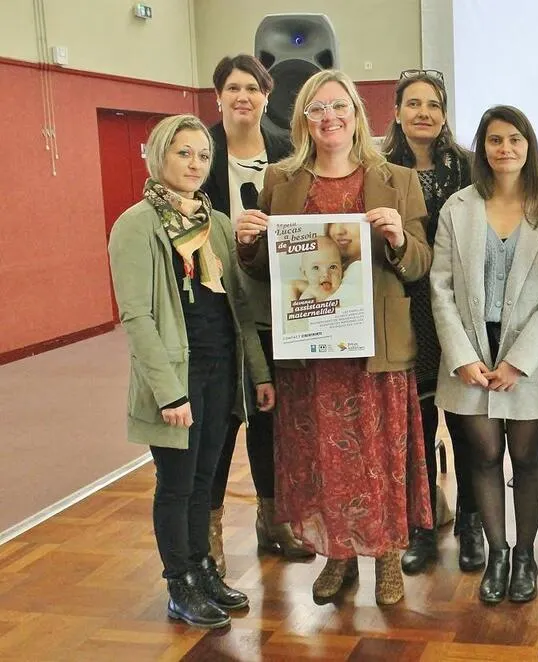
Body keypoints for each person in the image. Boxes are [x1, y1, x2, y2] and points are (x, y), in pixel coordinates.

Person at [234, 69, 434, 606]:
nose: (329, 117)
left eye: (338, 106)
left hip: (376, 348)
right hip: (310, 349)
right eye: (317, 108)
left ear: (356, 114)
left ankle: (388, 553)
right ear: (304, 119)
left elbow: (420, 265)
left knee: (378, 455)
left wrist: (397, 238)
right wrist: (249, 244)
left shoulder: (398, 179)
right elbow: (262, 273)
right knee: (323, 456)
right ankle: (339, 556)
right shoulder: (281, 179)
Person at [108, 114, 274, 628]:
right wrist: (168, 392)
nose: (195, 164)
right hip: (176, 378)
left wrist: (260, 374)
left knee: (207, 481)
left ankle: (203, 570)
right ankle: (179, 583)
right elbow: (136, 316)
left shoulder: (216, 223)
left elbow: (241, 310)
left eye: (203, 155)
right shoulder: (136, 224)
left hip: (221, 367)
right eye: (183, 153)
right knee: (177, 483)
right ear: (160, 156)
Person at [431, 105, 538, 604]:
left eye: (515, 139)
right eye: (495, 140)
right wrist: (462, 354)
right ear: (483, 148)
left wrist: (519, 361)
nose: (505, 149)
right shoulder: (457, 208)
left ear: (529, 146)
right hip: (471, 353)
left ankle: (526, 555)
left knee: (527, 456)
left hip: (526, 356)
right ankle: (496, 553)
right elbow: (441, 286)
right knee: (485, 455)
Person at [200, 54, 308, 576]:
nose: (244, 97)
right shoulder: (199, 155)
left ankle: (273, 520)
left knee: (272, 425)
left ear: (267, 97)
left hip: (279, 312)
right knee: (221, 424)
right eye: (233, 87)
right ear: (217, 95)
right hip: (218, 312)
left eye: (253, 88)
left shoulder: (289, 152)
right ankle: (211, 531)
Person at [381, 69, 484, 575]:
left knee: (467, 426)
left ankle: (470, 523)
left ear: (444, 115)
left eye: (434, 105)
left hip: (459, 311)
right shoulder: (376, 169)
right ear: (397, 112)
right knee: (416, 428)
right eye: (413, 103)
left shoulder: (467, 166)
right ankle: (421, 525)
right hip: (402, 311)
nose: (423, 112)